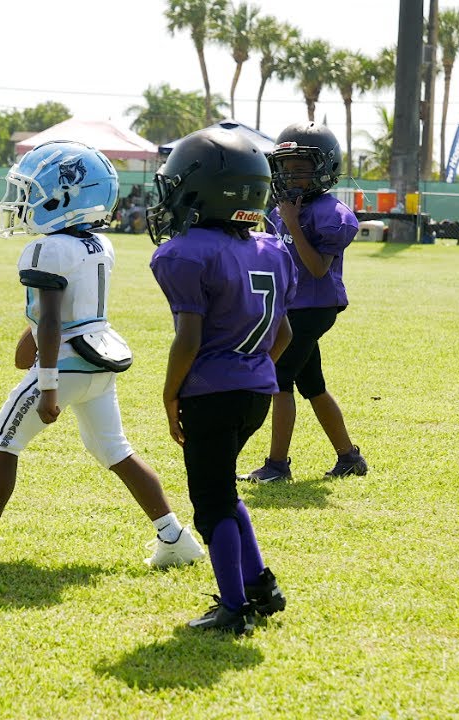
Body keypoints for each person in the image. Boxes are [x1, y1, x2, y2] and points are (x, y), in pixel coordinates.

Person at [0, 140, 204, 568]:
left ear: (66, 196)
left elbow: (52, 319)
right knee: (116, 451)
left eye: (32, 191)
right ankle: (175, 537)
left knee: (3, 443)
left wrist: (47, 386)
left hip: (64, 363)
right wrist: (29, 336)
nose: (24, 201)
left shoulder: (45, 249)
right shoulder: (98, 245)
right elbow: (64, 308)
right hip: (98, 361)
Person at [148, 128, 295, 634]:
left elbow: (187, 340)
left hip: (211, 393)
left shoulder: (186, 253)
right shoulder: (272, 249)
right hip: (256, 391)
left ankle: (235, 608)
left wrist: (170, 394)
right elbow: (284, 333)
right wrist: (252, 366)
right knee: (225, 493)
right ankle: (260, 586)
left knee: (210, 506)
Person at [246, 121, 367, 483]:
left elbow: (316, 269)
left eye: (301, 168)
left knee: (279, 379)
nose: (291, 175)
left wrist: (294, 224)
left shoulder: (330, 214)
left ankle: (277, 466)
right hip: (292, 306)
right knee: (311, 383)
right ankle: (349, 457)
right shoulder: (282, 207)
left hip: (314, 307)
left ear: (325, 168)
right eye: (285, 167)